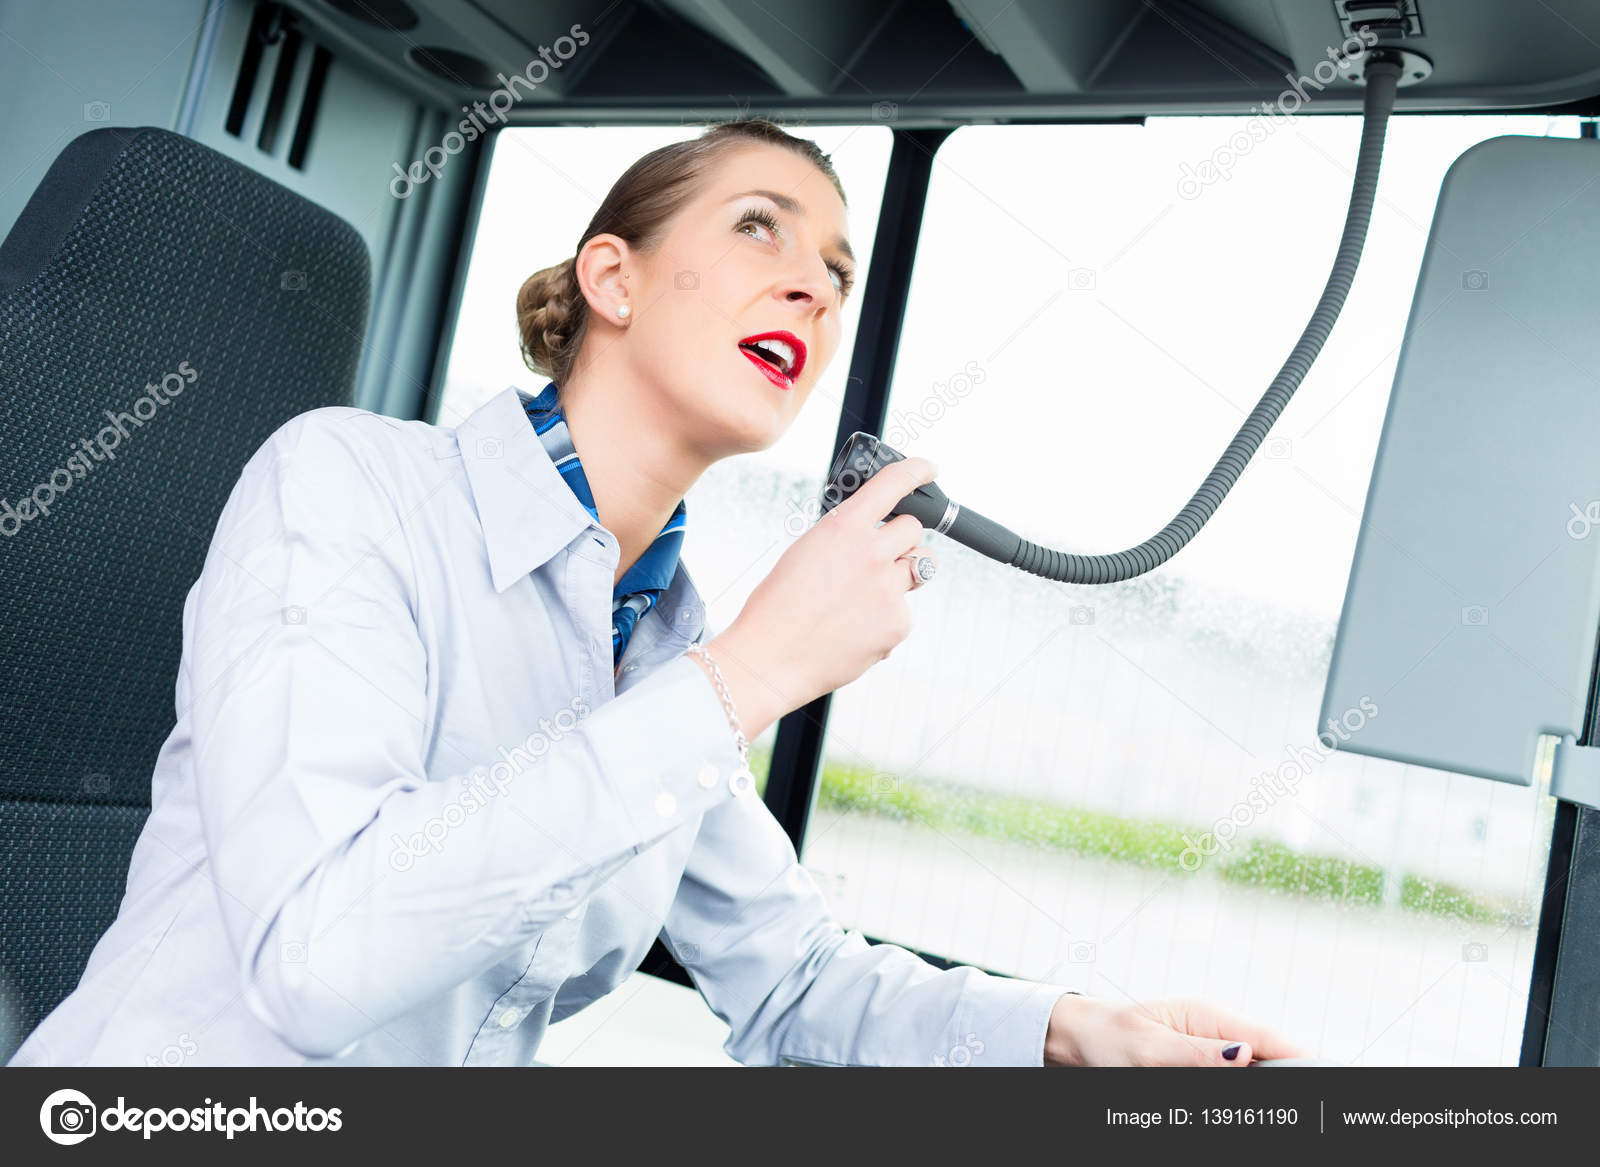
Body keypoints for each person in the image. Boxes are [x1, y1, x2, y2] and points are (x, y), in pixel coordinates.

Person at [8, 118, 1302, 1068]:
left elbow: (791, 984)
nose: (815, 283)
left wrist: (1076, 1036)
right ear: (613, 279)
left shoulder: (658, 635)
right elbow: (316, 960)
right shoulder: (349, 485)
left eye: (840, 272)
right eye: (759, 227)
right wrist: (749, 677)